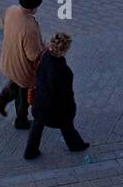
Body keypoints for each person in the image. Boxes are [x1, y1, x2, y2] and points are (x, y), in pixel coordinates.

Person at [24, 31, 89, 159]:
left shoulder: (45, 56)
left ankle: (30, 152)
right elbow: (66, 95)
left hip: (40, 102)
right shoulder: (63, 71)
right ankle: (75, 145)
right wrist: (71, 108)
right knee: (66, 125)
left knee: (37, 125)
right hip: (56, 108)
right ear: (64, 50)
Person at [0, 0, 44, 129]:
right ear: (33, 9)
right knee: (23, 95)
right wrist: (43, 50)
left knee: (14, 82)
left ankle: (0, 102)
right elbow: (32, 55)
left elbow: (3, 25)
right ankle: (21, 120)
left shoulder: (11, 10)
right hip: (22, 68)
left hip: (8, 58)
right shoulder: (30, 28)